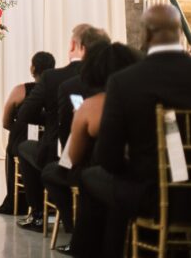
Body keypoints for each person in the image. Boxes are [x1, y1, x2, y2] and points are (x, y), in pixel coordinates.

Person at [79, 5, 191, 258]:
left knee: (92, 177)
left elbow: (108, 157)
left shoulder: (125, 81)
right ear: (179, 32)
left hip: (151, 196)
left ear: (146, 34)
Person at [42, 41, 140, 246]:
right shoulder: (142, 100)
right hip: (143, 178)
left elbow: (72, 158)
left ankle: (73, 227)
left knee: (72, 174)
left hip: (109, 176)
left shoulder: (91, 106)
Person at [15, 23, 97, 231]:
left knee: (24, 148)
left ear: (72, 46)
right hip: (96, 154)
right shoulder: (105, 78)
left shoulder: (52, 77)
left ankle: (37, 212)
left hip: (59, 152)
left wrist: (50, 119)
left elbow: (25, 114)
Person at [0, 50, 56, 215]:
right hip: (51, 144)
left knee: (15, 148)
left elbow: (6, 121)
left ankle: (16, 202)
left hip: (22, 143)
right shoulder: (59, 90)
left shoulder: (21, 90)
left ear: (33, 68)